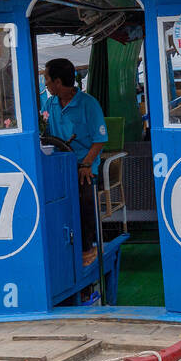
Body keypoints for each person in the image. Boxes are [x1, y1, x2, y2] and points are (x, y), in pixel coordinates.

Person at [40, 58, 108, 250]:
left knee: (85, 199)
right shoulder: (50, 104)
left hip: (83, 165)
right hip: (58, 166)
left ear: (58, 82)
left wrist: (86, 164)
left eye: (47, 79)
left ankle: (88, 245)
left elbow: (100, 140)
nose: (45, 83)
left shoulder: (89, 104)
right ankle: (59, 246)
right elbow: (42, 132)